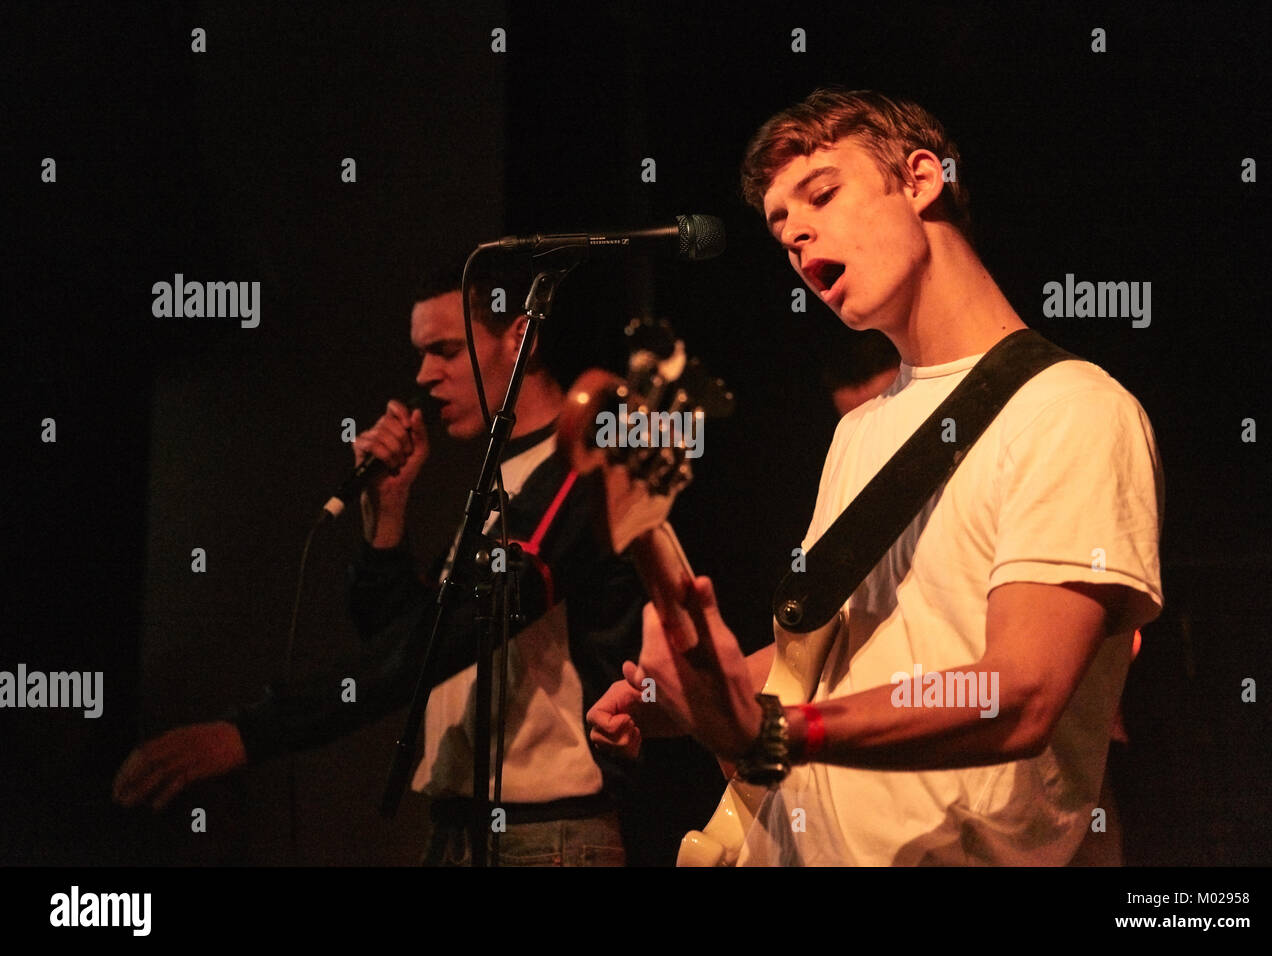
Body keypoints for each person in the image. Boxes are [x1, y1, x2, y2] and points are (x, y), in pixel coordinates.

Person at [588, 88, 1163, 865]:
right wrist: (692, 696)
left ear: (922, 179)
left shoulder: (1072, 410)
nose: (796, 237)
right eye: (781, 230)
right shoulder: (858, 432)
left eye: (821, 194)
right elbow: (835, 662)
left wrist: (779, 733)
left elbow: (1017, 692)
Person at [114, 259, 645, 866]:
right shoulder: (502, 475)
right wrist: (386, 520)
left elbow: (439, 640)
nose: (424, 376)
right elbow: (403, 639)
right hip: (463, 829)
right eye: (422, 355)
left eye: (445, 351)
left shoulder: (579, 468)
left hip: (546, 836)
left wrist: (249, 733)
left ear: (521, 337)